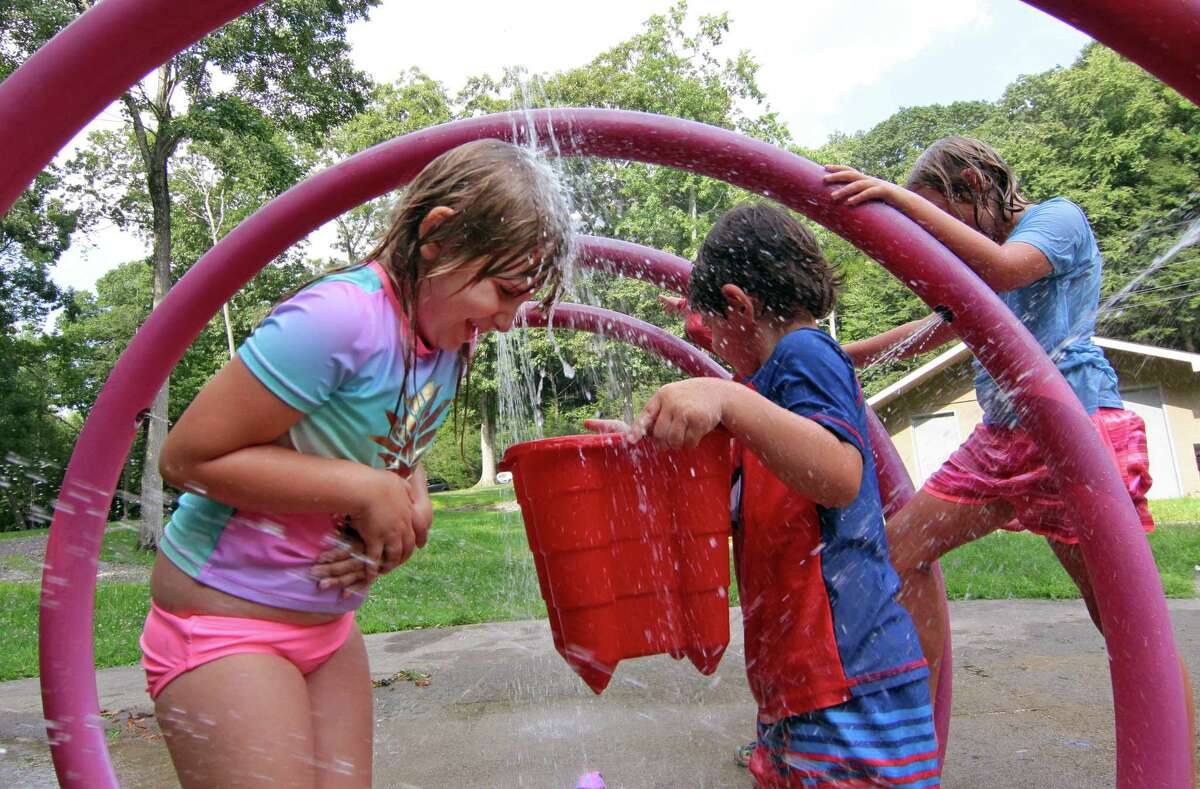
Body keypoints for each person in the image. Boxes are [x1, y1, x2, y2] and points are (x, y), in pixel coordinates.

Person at [141, 138, 574, 788]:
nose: (510, 319)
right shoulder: (339, 318)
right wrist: (360, 486)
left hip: (329, 630)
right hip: (225, 624)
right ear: (438, 236)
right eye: (505, 289)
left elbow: (395, 438)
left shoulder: (446, 341)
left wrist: (410, 502)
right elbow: (189, 456)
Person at [823, 137, 1194, 762]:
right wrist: (846, 354)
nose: (934, 238)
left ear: (972, 183)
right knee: (896, 553)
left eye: (937, 211)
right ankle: (910, 732)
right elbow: (935, 327)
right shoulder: (976, 259)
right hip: (1000, 438)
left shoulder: (1057, 218)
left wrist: (894, 198)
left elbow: (1005, 270)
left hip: (1071, 424)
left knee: (1122, 618)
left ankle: (1174, 760)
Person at [599, 203, 940, 788]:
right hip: (800, 679)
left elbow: (839, 473)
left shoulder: (804, 354)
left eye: (710, 330)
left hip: (850, 678)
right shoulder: (765, 385)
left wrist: (728, 401)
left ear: (739, 306)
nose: (716, 355)